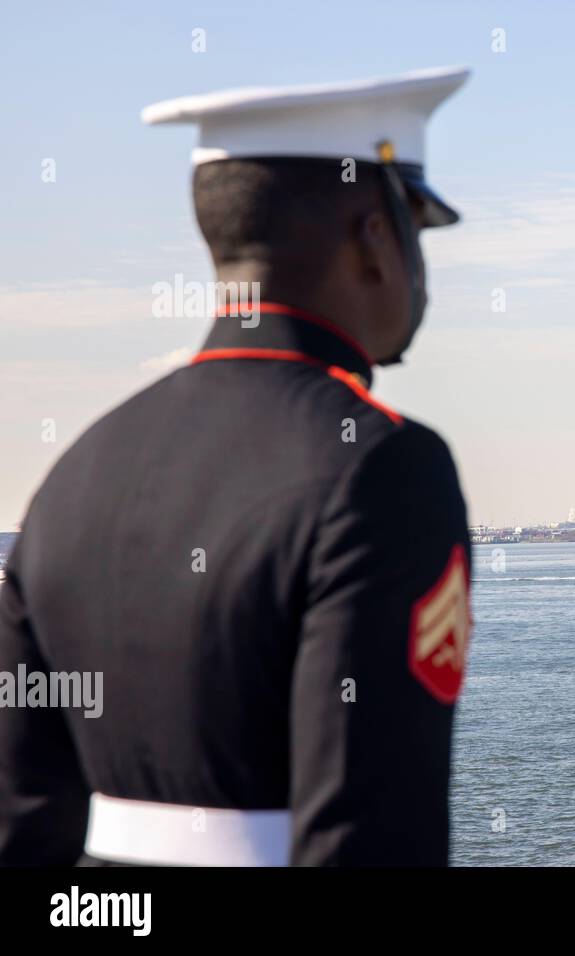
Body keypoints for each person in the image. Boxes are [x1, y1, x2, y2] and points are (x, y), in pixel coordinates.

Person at [0, 67, 473, 866]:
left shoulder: (76, 471)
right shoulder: (387, 467)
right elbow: (370, 840)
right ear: (374, 238)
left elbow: (20, 826)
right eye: (417, 230)